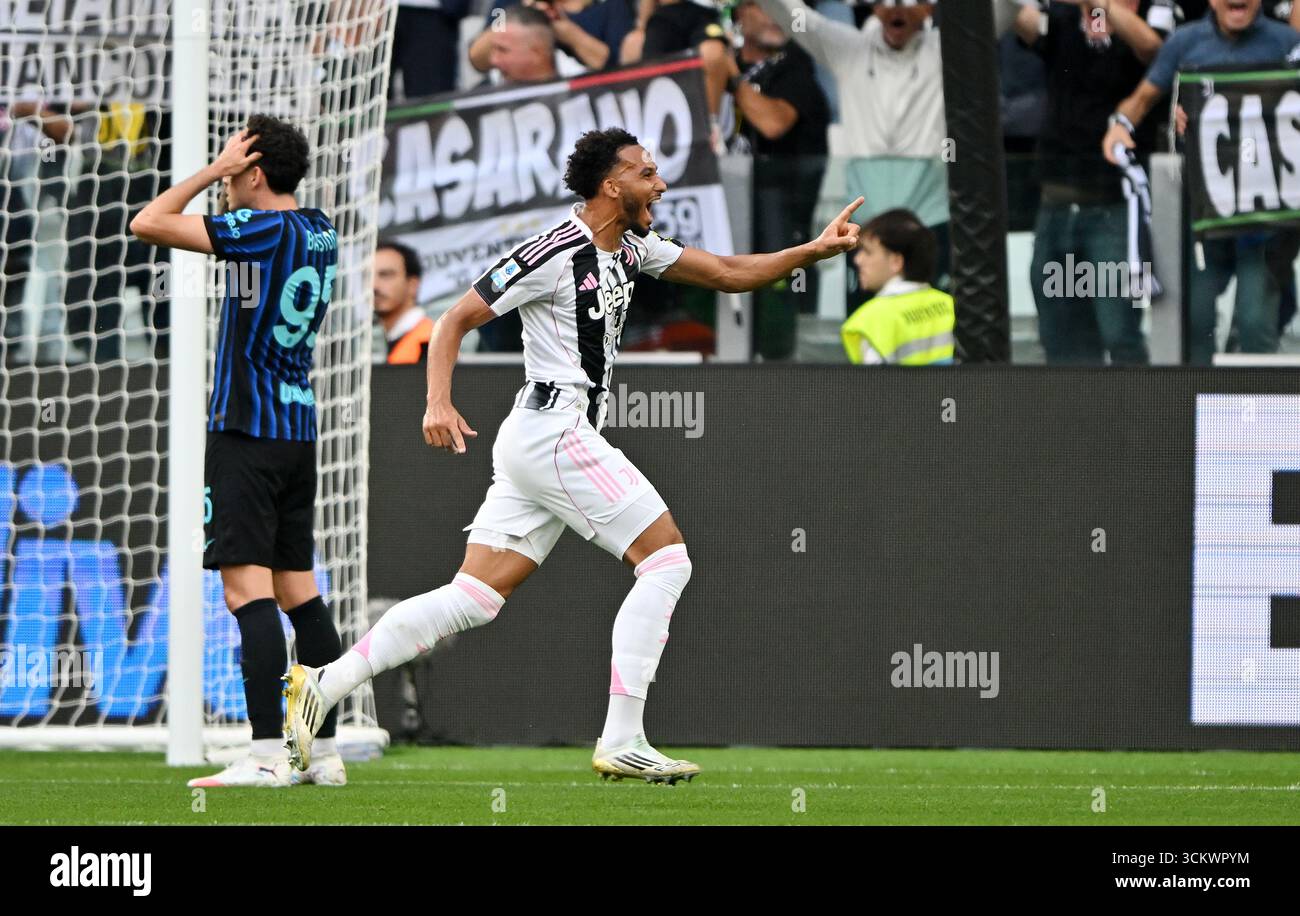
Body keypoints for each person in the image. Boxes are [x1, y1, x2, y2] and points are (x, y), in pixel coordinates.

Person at [282, 127, 864, 784]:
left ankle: (322, 686)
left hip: (546, 434)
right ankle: (623, 736)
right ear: (613, 184)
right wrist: (436, 402)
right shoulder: (553, 249)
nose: (661, 184)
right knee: (667, 558)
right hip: (555, 429)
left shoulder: (635, 246)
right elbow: (453, 320)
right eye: (647, 173)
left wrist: (814, 250)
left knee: (474, 596)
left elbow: (729, 273)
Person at [131, 115, 347, 788]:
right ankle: (324, 753)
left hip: (245, 434)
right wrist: (232, 172)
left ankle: (264, 755)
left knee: (244, 594)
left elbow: (149, 222)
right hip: (298, 431)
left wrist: (208, 173)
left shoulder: (260, 229)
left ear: (252, 171)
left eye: (234, 169)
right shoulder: (320, 229)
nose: (226, 182)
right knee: (300, 595)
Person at [1102, 0, 1300, 363]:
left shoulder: (1287, 43)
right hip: (1205, 217)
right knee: (1195, 323)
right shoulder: (1185, 42)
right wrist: (1119, 125)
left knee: (1256, 326)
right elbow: (1145, 98)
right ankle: (1194, 414)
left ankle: (1257, 416)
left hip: (1266, 224)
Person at [1014, 0, 1169, 365]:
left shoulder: (1155, 10)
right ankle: (1075, 419)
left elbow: (1152, 49)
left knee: (1118, 332)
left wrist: (1102, 5)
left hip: (1113, 205)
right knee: (1058, 332)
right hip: (1056, 204)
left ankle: (1138, 418)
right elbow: (1009, 17)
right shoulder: (1063, 19)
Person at [727, 0, 831, 359]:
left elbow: (773, 122)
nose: (776, 16)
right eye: (764, 5)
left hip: (785, 227)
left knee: (779, 329)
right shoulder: (730, 59)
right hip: (732, 221)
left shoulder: (796, 64)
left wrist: (730, 80)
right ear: (740, 13)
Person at [841, 208, 955, 365]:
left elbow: (871, 387)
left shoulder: (870, 319)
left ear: (896, 262)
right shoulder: (952, 305)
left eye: (867, 252)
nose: (858, 260)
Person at [373, 239, 434, 364]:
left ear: (412, 285)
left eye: (386, 275)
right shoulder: (391, 339)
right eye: (367, 276)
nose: (374, 286)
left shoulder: (428, 344)